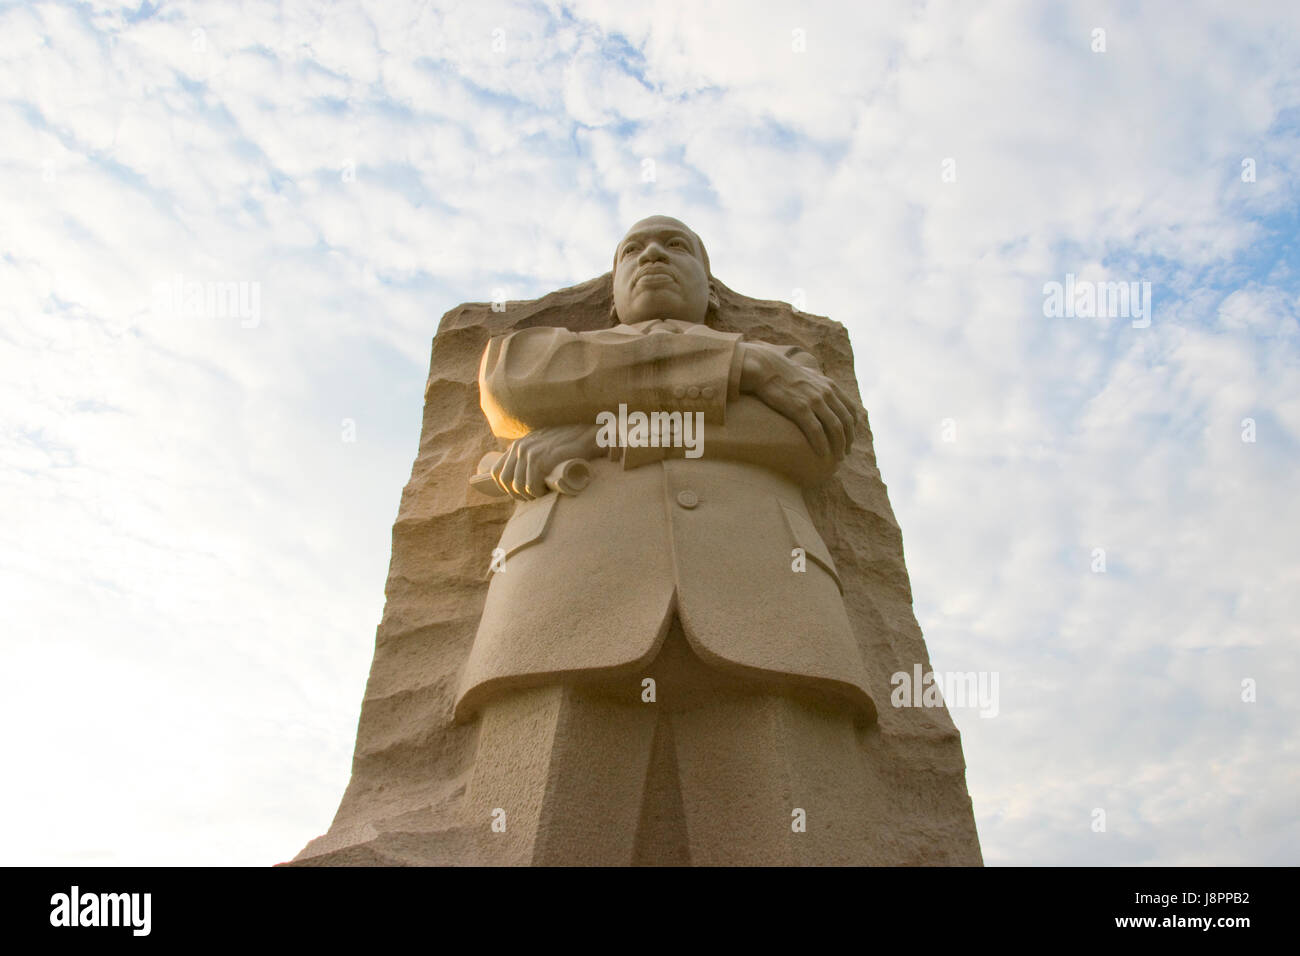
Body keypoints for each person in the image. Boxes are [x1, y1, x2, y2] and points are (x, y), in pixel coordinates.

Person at [457, 216, 880, 865]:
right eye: (634, 247)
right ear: (613, 293)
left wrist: (601, 434)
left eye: (676, 244)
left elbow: (803, 438)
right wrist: (742, 365)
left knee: (797, 839)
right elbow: (516, 384)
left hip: (769, 596)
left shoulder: (796, 366)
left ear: (711, 291)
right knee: (538, 838)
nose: (653, 252)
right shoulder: (549, 350)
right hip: (566, 596)